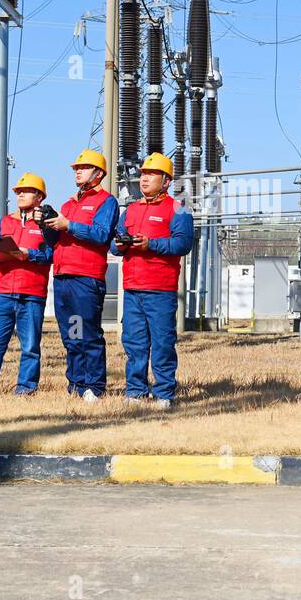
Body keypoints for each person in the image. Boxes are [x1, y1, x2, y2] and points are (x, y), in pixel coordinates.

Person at [112, 153, 194, 408]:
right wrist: (120, 244)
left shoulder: (178, 209)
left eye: (150, 174)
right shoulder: (132, 209)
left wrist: (151, 244)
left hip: (160, 288)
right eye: (143, 174)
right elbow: (115, 248)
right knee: (134, 342)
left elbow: (183, 243)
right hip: (133, 288)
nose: (144, 178)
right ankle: (135, 391)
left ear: (166, 181)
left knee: (162, 342)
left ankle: (164, 393)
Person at [44, 150, 118, 402]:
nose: (77, 171)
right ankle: (76, 384)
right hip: (64, 277)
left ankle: (95, 387)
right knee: (72, 335)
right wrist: (47, 225)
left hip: (86, 278)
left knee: (88, 333)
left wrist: (69, 225)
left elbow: (101, 234)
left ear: (98, 174)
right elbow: (56, 240)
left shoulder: (106, 202)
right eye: (76, 168)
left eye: (84, 168)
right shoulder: (68, 204)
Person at [0, 173, 58, 395]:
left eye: (26, 191)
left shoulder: (47, 227)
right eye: (18, 192)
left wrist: (28, 254)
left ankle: (25, 390)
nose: (20, 194)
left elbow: (52, 254)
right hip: (3, 293)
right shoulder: (5, 222)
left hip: (31, 295)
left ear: (39, 197)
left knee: (30, 347)